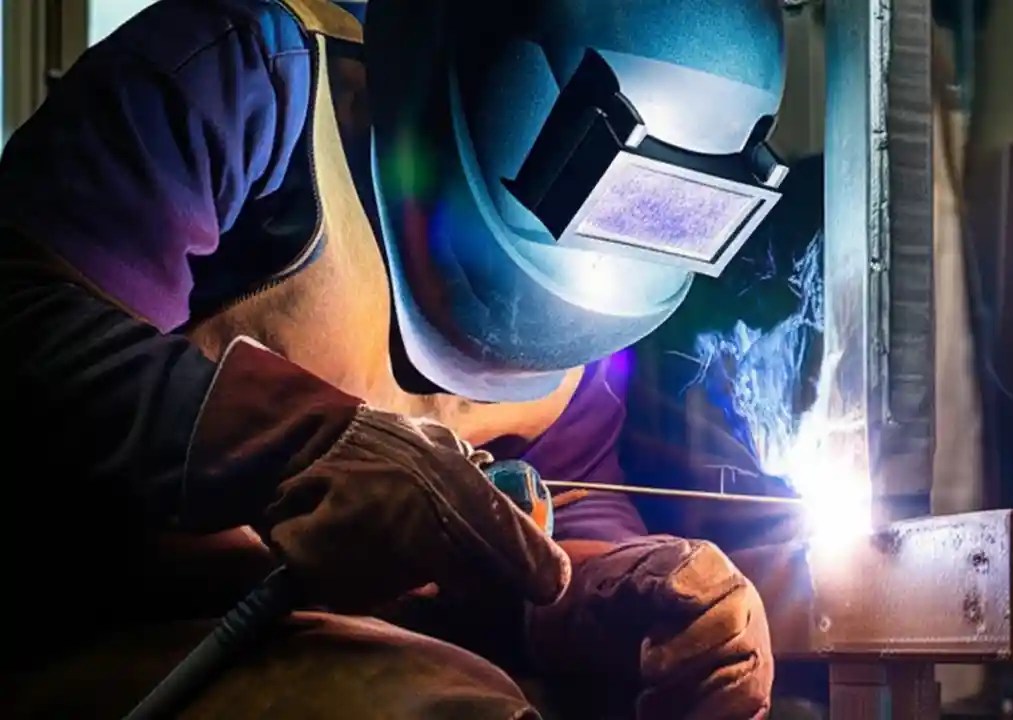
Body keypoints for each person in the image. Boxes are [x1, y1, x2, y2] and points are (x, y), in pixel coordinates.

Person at [0, 0, 792, 717]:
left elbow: (569, 499)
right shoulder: (251, 82)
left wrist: (623, 591)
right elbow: (23, 316)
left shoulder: (598, 293)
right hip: (93, 634)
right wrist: (293, 445)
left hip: (355, 661)